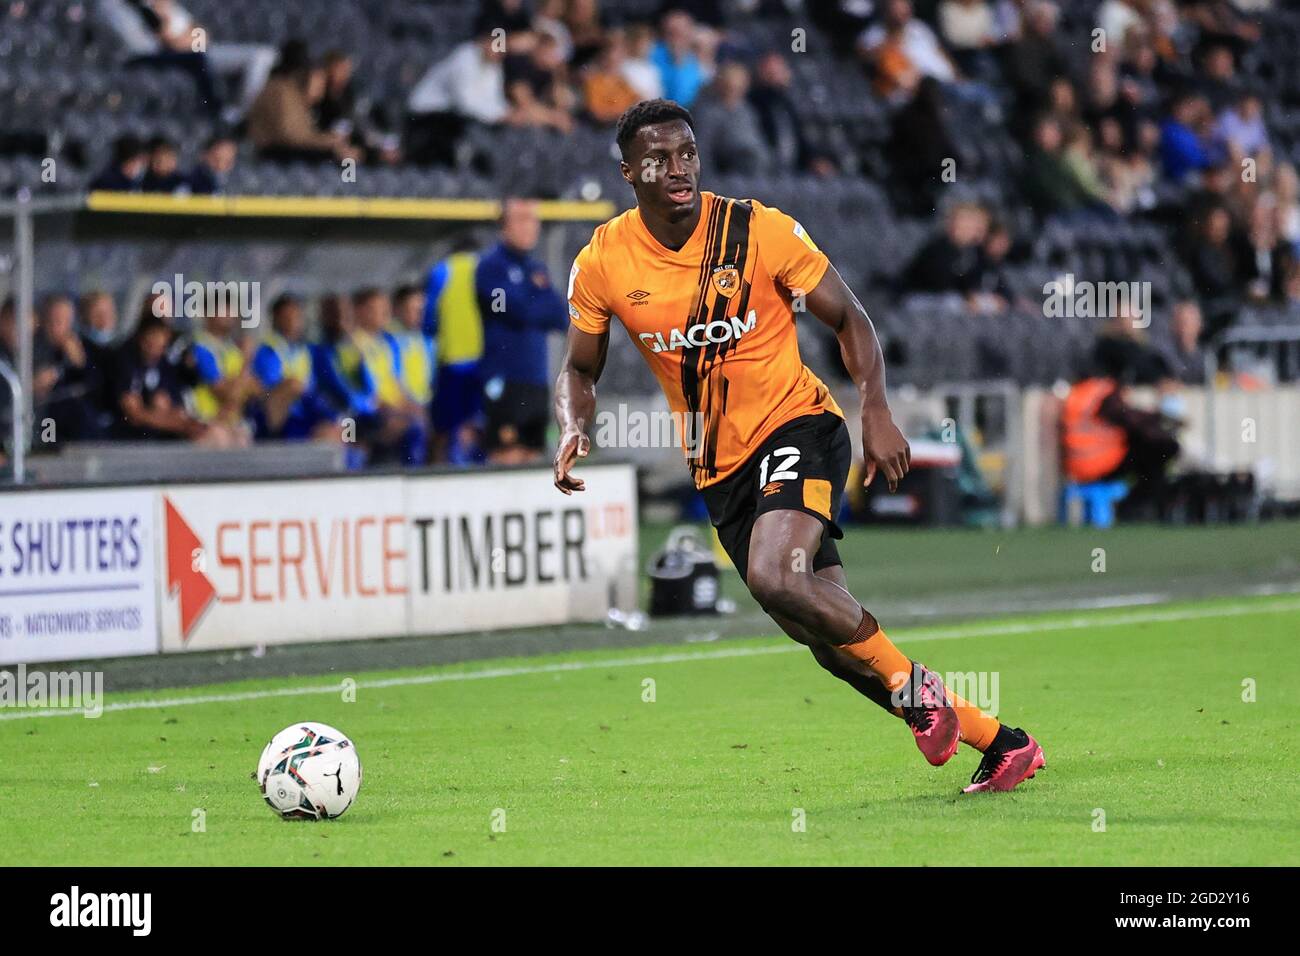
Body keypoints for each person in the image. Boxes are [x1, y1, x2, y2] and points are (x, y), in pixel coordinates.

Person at [555, 99, 1044, 793]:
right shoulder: (603, 260)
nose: (679, 168)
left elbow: (850, 316)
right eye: (659, 159)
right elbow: (580, 368)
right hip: (718, 469)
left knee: (775, 574)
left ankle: (921, 695)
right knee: (825, 640)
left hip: (799, 425)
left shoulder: (757, 230)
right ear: (629, 172)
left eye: (688, 152)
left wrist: (876, 407)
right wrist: (573, 425)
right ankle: (1003, 743)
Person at [477, 198, 568, 464]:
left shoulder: (536, 268)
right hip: (504, 378)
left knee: (532, 454)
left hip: (536, 379)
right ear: (503, 226)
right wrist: (534, 299)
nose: (530, 227)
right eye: (522, 219)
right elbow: (509, 308)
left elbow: (559, 315)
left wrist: (528, 301)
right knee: (506, 454)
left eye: (534, 220)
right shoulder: (490, 267)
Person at [250, 294, 344, 444]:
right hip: (279, 416)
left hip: (303, 412)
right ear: (275, 319)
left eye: (296, 316)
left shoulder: (304, 350)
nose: (292, 321)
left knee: (339, 431)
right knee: (293, 385)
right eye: (287, 316)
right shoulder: (269, 349)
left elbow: (314, 386)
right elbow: (271, 389)